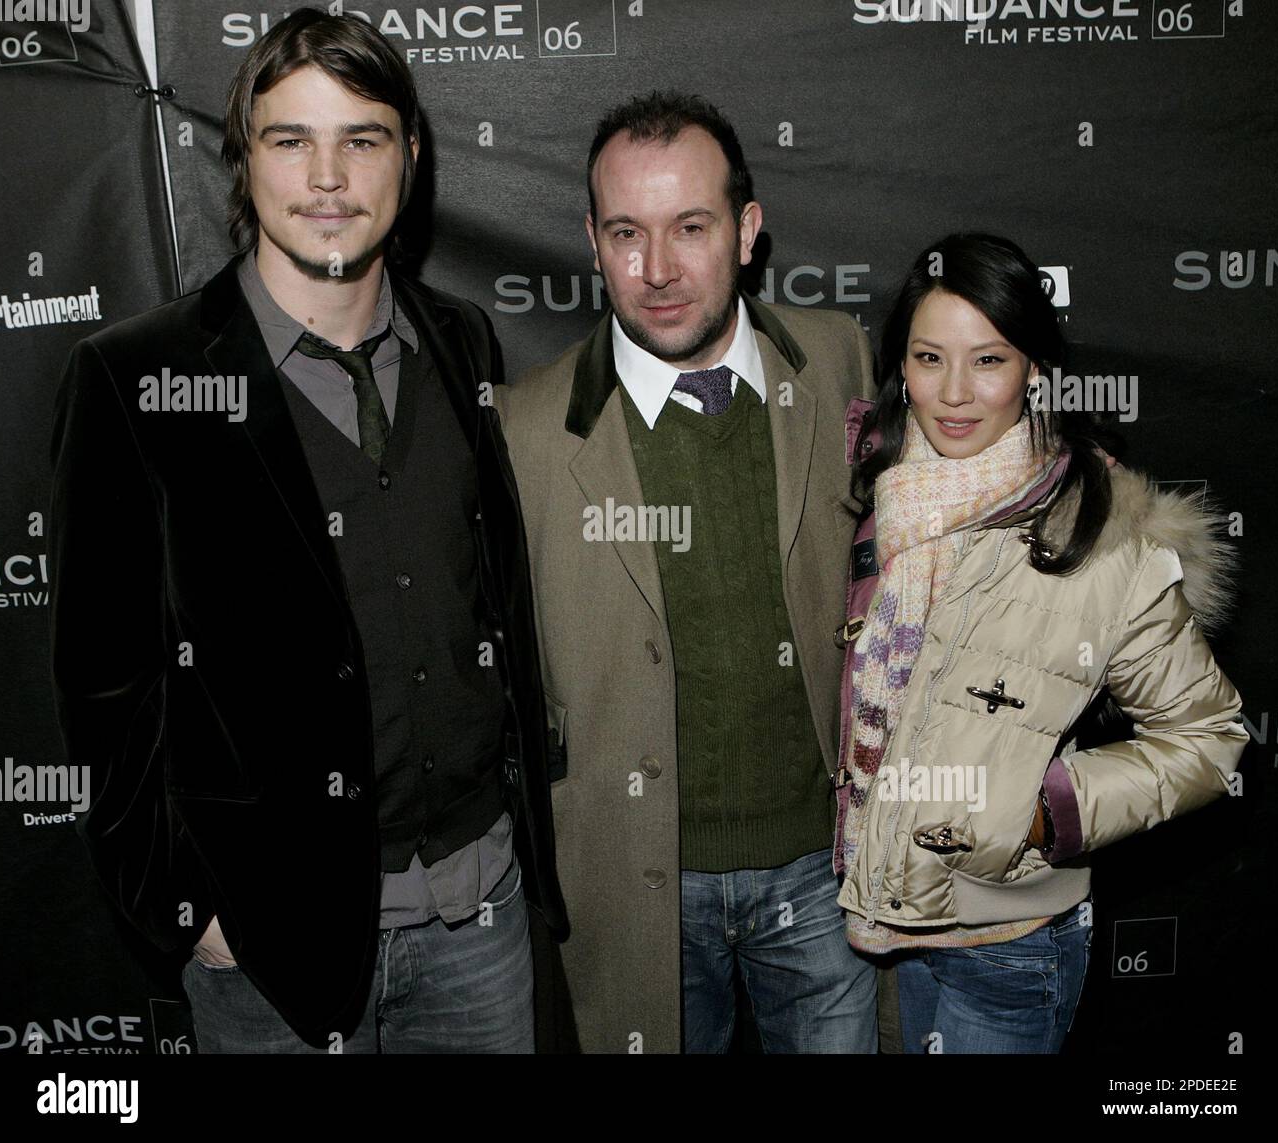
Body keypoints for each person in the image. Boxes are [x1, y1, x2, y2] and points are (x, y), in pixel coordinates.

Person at [47, 8, 565, 1053]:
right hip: (269, 951)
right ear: (245, 160)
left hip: (482, 917)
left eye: (361, 139)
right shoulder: (136, 377)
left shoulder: (461, 340)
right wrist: (191, 912)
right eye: (291, 140)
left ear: (410, 158)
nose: (328, 178)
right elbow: (104, 687)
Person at [493, 91, 878, 1053]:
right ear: (592, 241)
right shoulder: (527, 427)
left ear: (747, 231)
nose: (657, 269)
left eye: (691, 228)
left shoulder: (837, 358)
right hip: (634, 887)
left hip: (826, 870)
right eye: (626, 232)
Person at [833, 232, 1248, 1053]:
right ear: (900, 366)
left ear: (1033, 369)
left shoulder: (1102, 535)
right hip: (890, 918)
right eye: (929, 358)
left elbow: (1210, 737)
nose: (954, 393)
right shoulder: (890, 494)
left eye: (989, 360)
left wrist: (1043, 810)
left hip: (1013, 943)